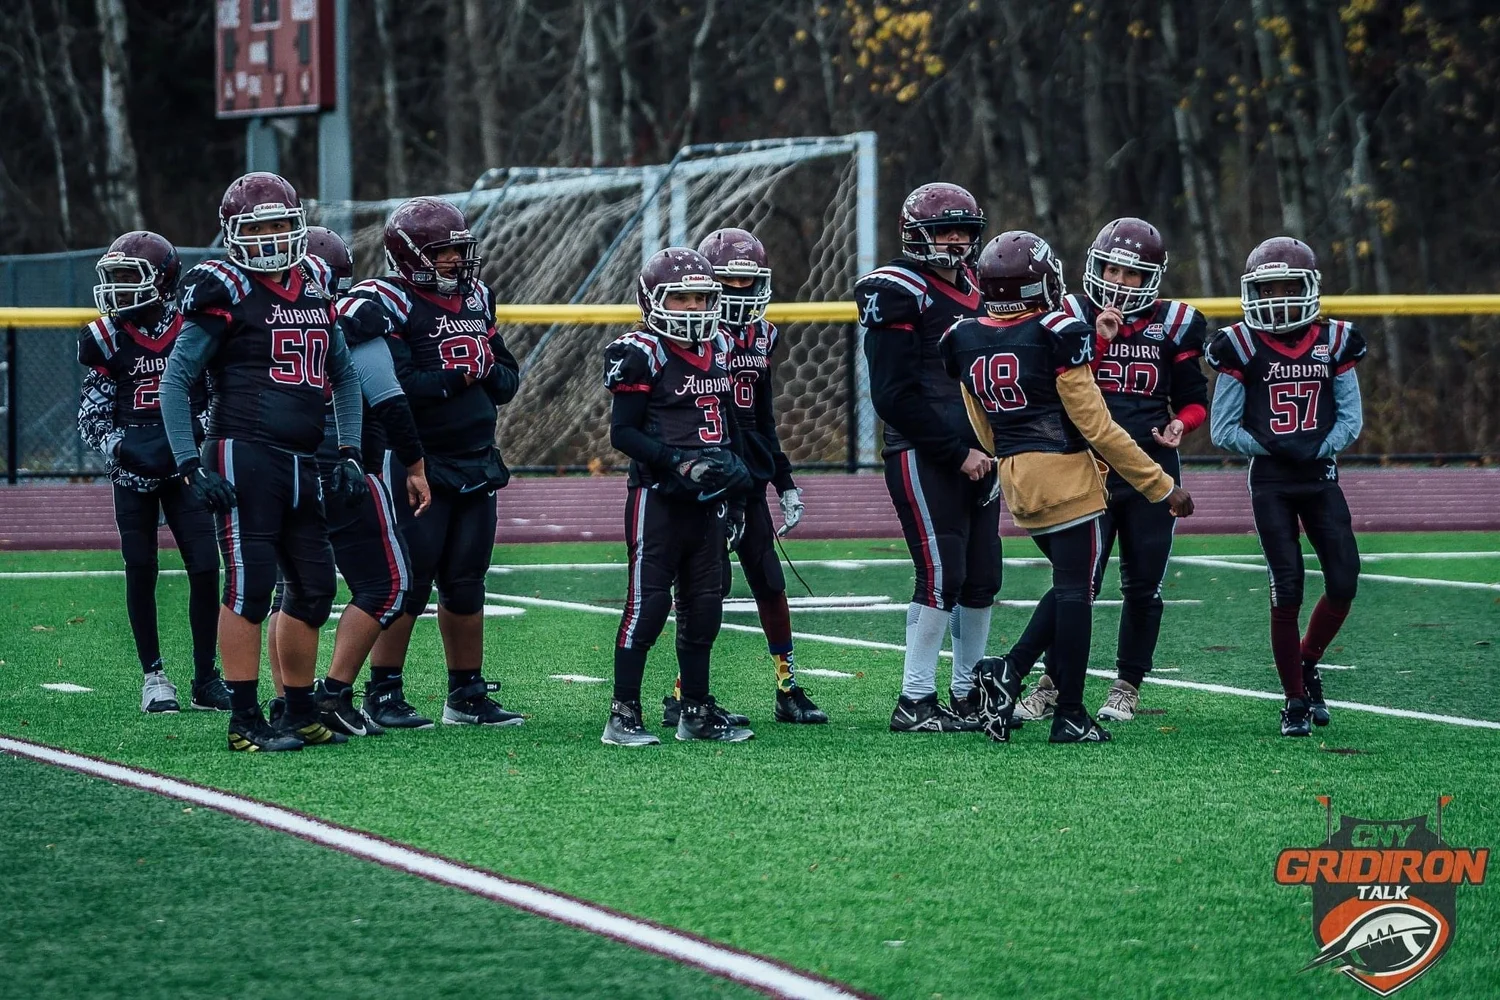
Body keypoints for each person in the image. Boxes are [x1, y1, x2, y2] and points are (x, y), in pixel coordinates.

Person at [950, 231, 1194, 744]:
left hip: (1018, 480)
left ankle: (1011, 672)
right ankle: (1070, 711)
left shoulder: (963, 336)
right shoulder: (1060, 329)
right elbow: (1099, 429)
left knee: (1070, 585)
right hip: (1069, 477)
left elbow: (985, 428)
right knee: (1076, 592)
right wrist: (1160, 485)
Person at [160, 171, 368, 752]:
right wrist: (188, 464)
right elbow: (177, 380)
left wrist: (349, 449)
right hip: (242, 452)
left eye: (281, 223)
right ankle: (243, 718)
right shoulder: (222, 286)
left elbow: (345, 375)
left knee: (314, 589)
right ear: (233, 234)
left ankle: (298, 711)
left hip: (305, 458)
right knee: (249, 588)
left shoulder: (318, 280)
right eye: (261, 226)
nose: (273, 236)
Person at [1013, 218, 1209, 723]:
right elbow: (1061, 382)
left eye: (1132, 275)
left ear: (1153, 278)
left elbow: (1192, 400)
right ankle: (1052, 681)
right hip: (1084, 468)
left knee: (1144, 584)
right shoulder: (1070, 314)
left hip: (1149, 465)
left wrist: (1180, 426)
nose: (1119, 283)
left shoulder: (1178, 323)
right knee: (1078, 583)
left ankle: (1127, 683)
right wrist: (1099, 342)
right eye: (1112, 270)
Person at [348, 197, 523, 729]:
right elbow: (399, 388)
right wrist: (460, 373)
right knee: (411, 579)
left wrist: (480, 368)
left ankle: (466, 692)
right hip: (415, 460)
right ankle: (383, 693)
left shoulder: (477, 299)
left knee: (468, 578)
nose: (454, 260)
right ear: (409, 254)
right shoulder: (386, 301)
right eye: (443, 251)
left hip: (475, 457)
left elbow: (508, 381)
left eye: (457, 250)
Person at [650, 227, 826, 726]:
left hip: (747, 471)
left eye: (749, 283)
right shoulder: (694, 334)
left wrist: (784, 480)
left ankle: (787, 688)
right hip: (709, 471)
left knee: (769, 580)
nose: (741, 293)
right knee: (708, 588)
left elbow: (763, 419)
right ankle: (684, 693)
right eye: (729, 283)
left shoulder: (764, 333)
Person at [263, 226, 432, 737]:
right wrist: (416, 465)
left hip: (275, 467)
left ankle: (287, 703)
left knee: (289, 590)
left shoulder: (254, 319)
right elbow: (388, 399)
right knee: (390, 584)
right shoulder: (347, 317)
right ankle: (332, 694)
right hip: (341, 464)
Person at [1207, 237, 1364, 737]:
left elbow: (1351, 419)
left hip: (1319, 477)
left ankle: (1307, 663)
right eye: (1266, 288)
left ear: (1310, 287)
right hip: (1272, 481)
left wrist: (1316, 448)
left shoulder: (1335, 339)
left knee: (1344, 580)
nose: (1276, 298)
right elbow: (1222, 428)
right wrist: (1275, 447)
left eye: (1287, 286)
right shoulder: (1241, 344)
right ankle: (1294, 699)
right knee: (1287, 587)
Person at [856, 182, 998, 733]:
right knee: (942, 574)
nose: (956, 240)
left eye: (964, 229)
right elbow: (892, 396)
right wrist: (956, 449)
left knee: (983, 577)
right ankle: (914, 699)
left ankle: (965, 693)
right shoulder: (895, 289)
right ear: (916, 233)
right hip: (923, 452)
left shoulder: (981, 285)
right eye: (944, 229)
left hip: (982, 453)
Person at [600, 247, 755, 746]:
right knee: (647, 607)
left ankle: (695, 710)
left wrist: (735, 486)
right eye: (681, 297)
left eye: (700, 297)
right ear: (654, 300)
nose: (692, 307)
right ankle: (622, 714)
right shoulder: (642, 351)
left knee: (704, 607)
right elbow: (622, 435)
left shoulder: (724, 346)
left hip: (706, 500)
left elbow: (727, 424)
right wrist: (678, 461)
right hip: (658, 498)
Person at [76, 231, 229, 714]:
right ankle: (154, 677)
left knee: (206, 567)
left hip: (187, 465)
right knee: (140, 568)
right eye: (114, 278)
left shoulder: (193, 325)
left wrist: (193, 436)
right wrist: (118, 445)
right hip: (135, 472)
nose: (118, 289)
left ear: (162, 282)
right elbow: (91, 410)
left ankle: (207, 677)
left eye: (128, 278)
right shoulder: (106, 336)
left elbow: (219, 393)